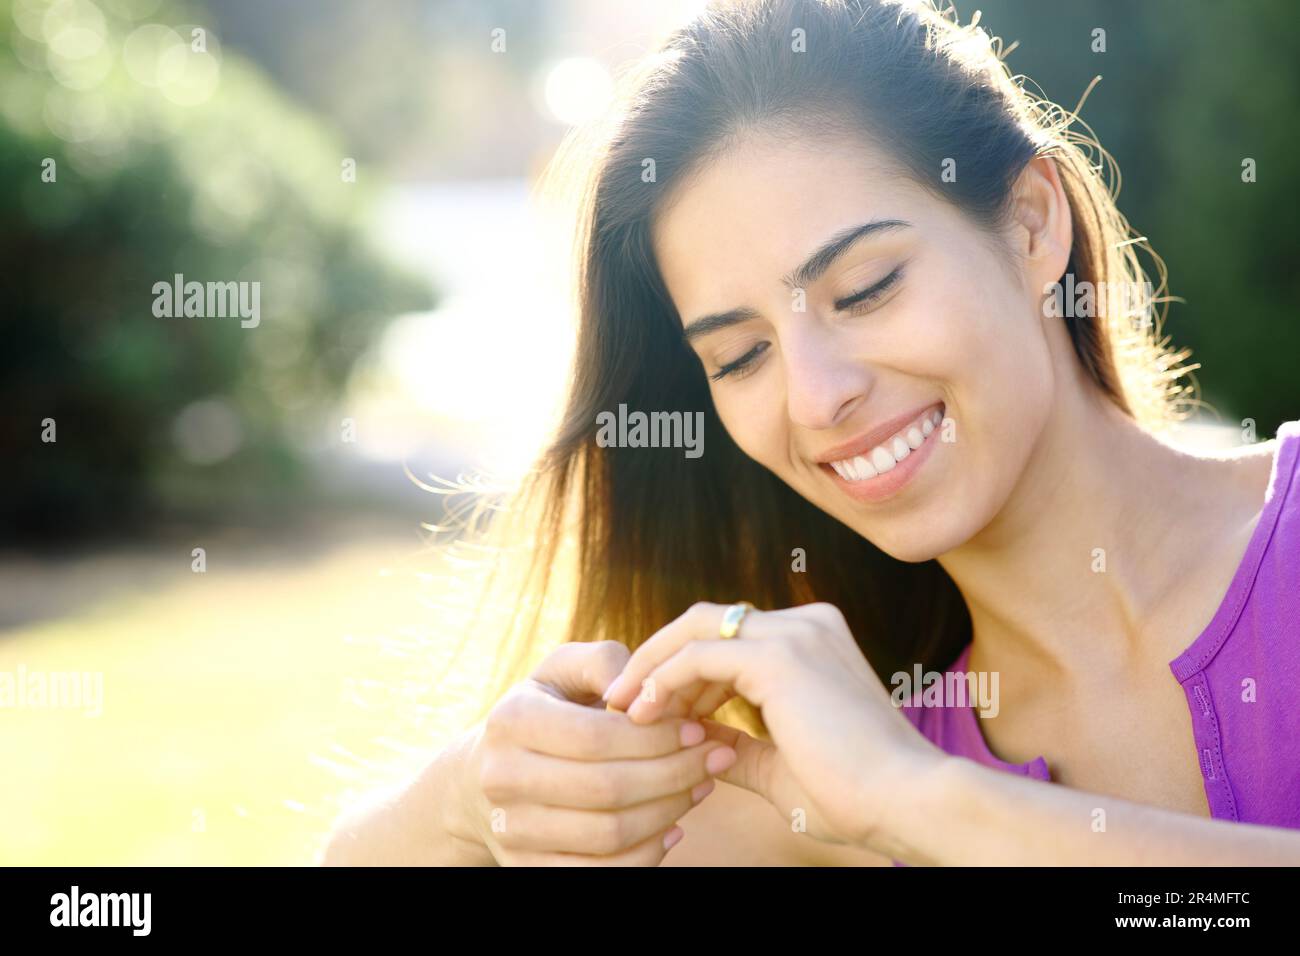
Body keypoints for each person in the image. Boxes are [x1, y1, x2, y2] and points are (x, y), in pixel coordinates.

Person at [322, 0, 1299, 866]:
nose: (815, 397)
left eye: (864, 288)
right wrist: (463, 795)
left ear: (1031, 225)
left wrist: (925, 805)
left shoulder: (877, 786)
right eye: (741, 356)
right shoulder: (822, 782)